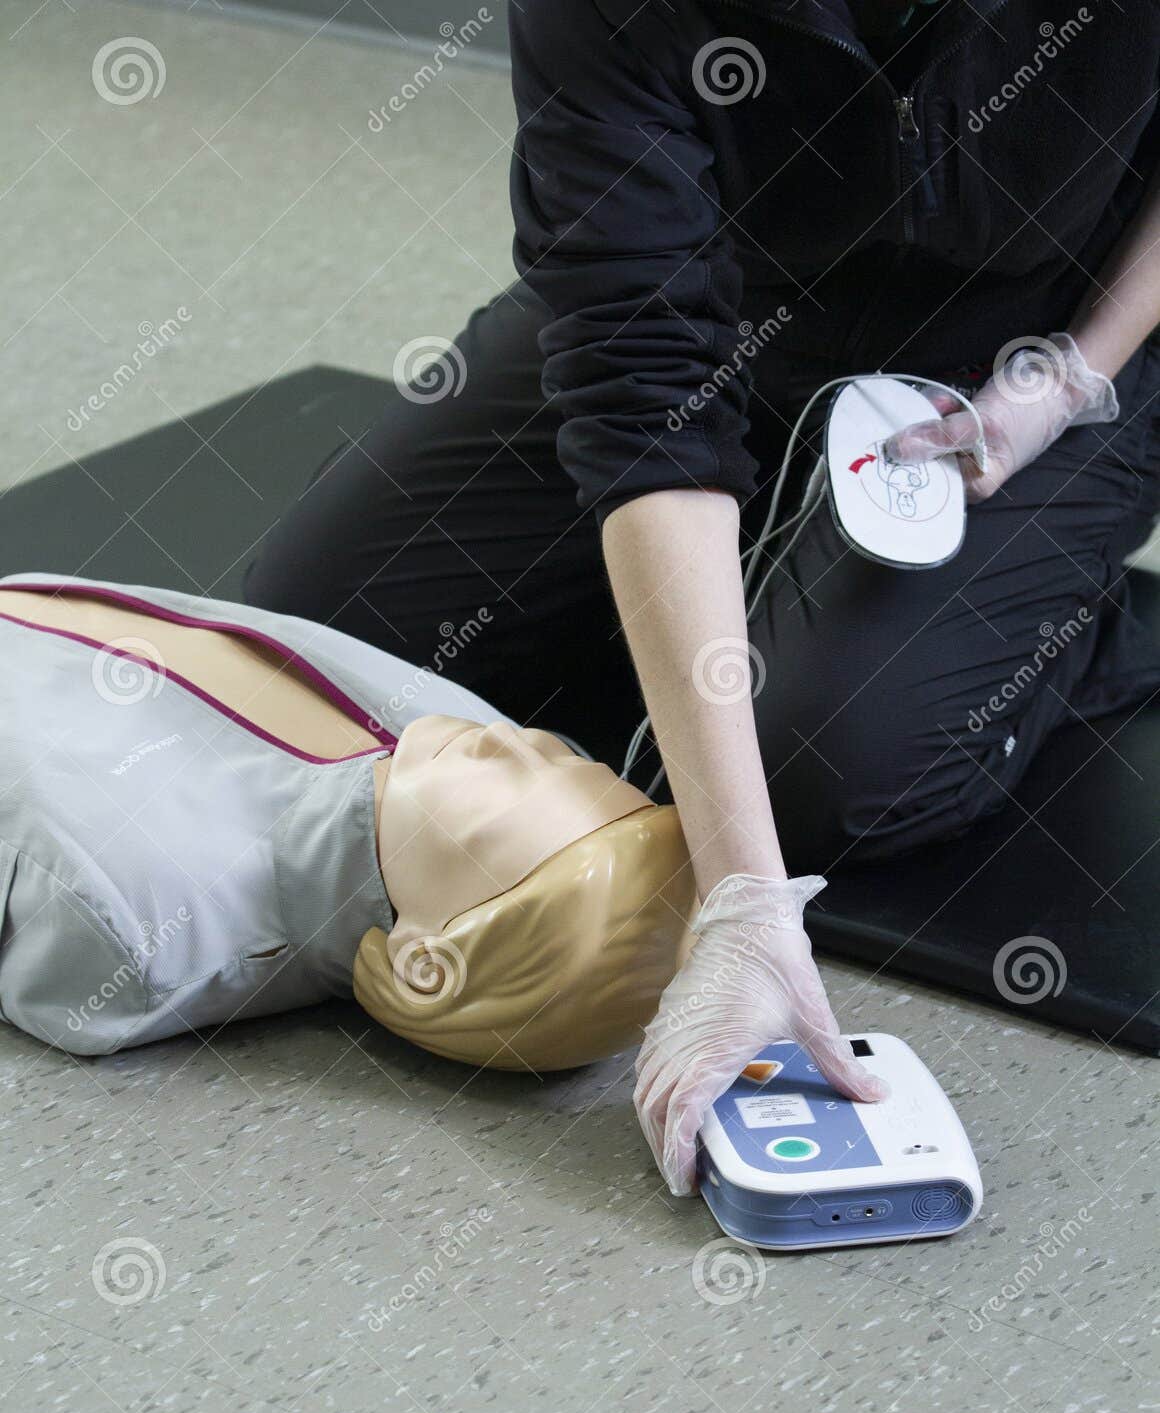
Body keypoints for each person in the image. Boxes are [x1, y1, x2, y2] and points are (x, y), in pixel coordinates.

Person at [245, 0, 1160, 1195]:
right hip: (717, 302)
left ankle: (1063, 626)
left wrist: (1072, 373)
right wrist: (738, 897)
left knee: (818, 775)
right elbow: (639, 383)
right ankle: (736, 588)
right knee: (325, 638)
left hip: (1043, 347)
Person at [0, 576, 694, 1068]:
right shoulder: (451, 739)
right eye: (562, 757)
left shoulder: (120, 923)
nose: (511, 742)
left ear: (427, 961)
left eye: (508, 792)